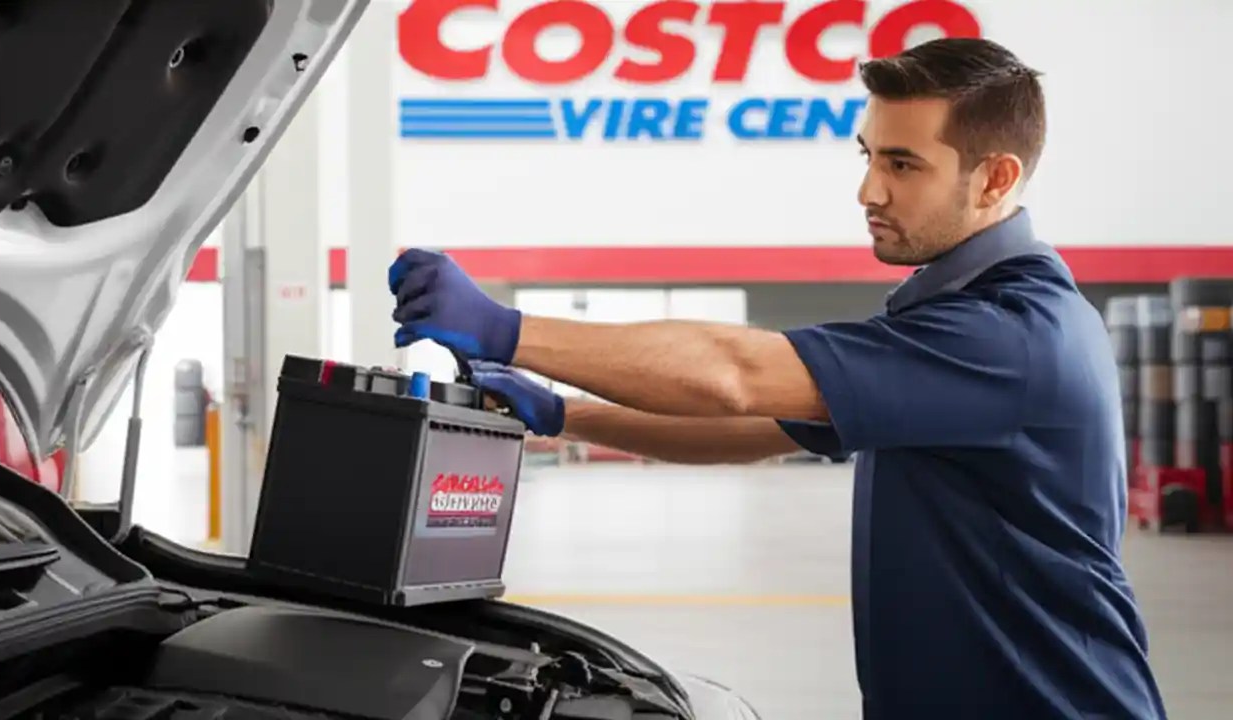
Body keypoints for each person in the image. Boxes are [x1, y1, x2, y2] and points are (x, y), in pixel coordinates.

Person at [387, 37, 1168, 720]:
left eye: (904, 164)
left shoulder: (1006, 336)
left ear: (995, 178)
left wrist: (507, 329)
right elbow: (749, 428)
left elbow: (734, 373)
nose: (869, 190)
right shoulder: (961, 324)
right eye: (868, 156)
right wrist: (564, 413)